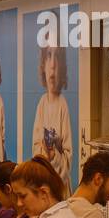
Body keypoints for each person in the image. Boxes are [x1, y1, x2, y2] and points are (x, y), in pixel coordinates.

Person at [32, 40, 72, 184]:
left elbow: (67, 163)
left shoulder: (63, 104)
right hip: (43, 183)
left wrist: (54, 156)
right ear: (43, 64)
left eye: (57, 57)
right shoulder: (42, 103)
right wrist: (44, 153)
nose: (53, 65)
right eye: (49, 56)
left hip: (59, 187)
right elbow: (36, 148)